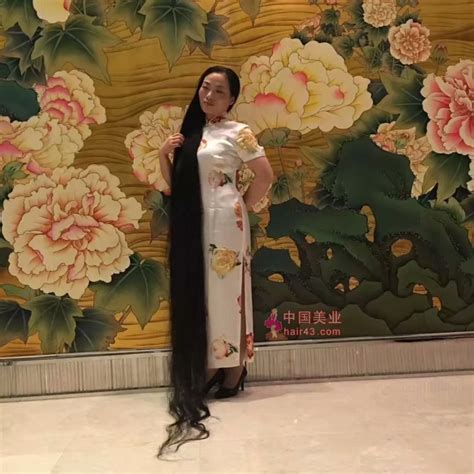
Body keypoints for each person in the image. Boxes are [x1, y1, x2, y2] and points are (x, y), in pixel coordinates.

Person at [157, 66, 273, 456]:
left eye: (219, 91)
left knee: (228, 293)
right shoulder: (192, 131)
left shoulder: (239, 132)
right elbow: (175, 185)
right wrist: (163, 154)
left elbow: (264, 175)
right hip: (195, 222)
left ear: (232, 99)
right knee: (204, 293)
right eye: (205, 87)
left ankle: (230, 367)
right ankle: (219, 365)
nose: (208, 95)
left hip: (225, 221)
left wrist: (242, 205)